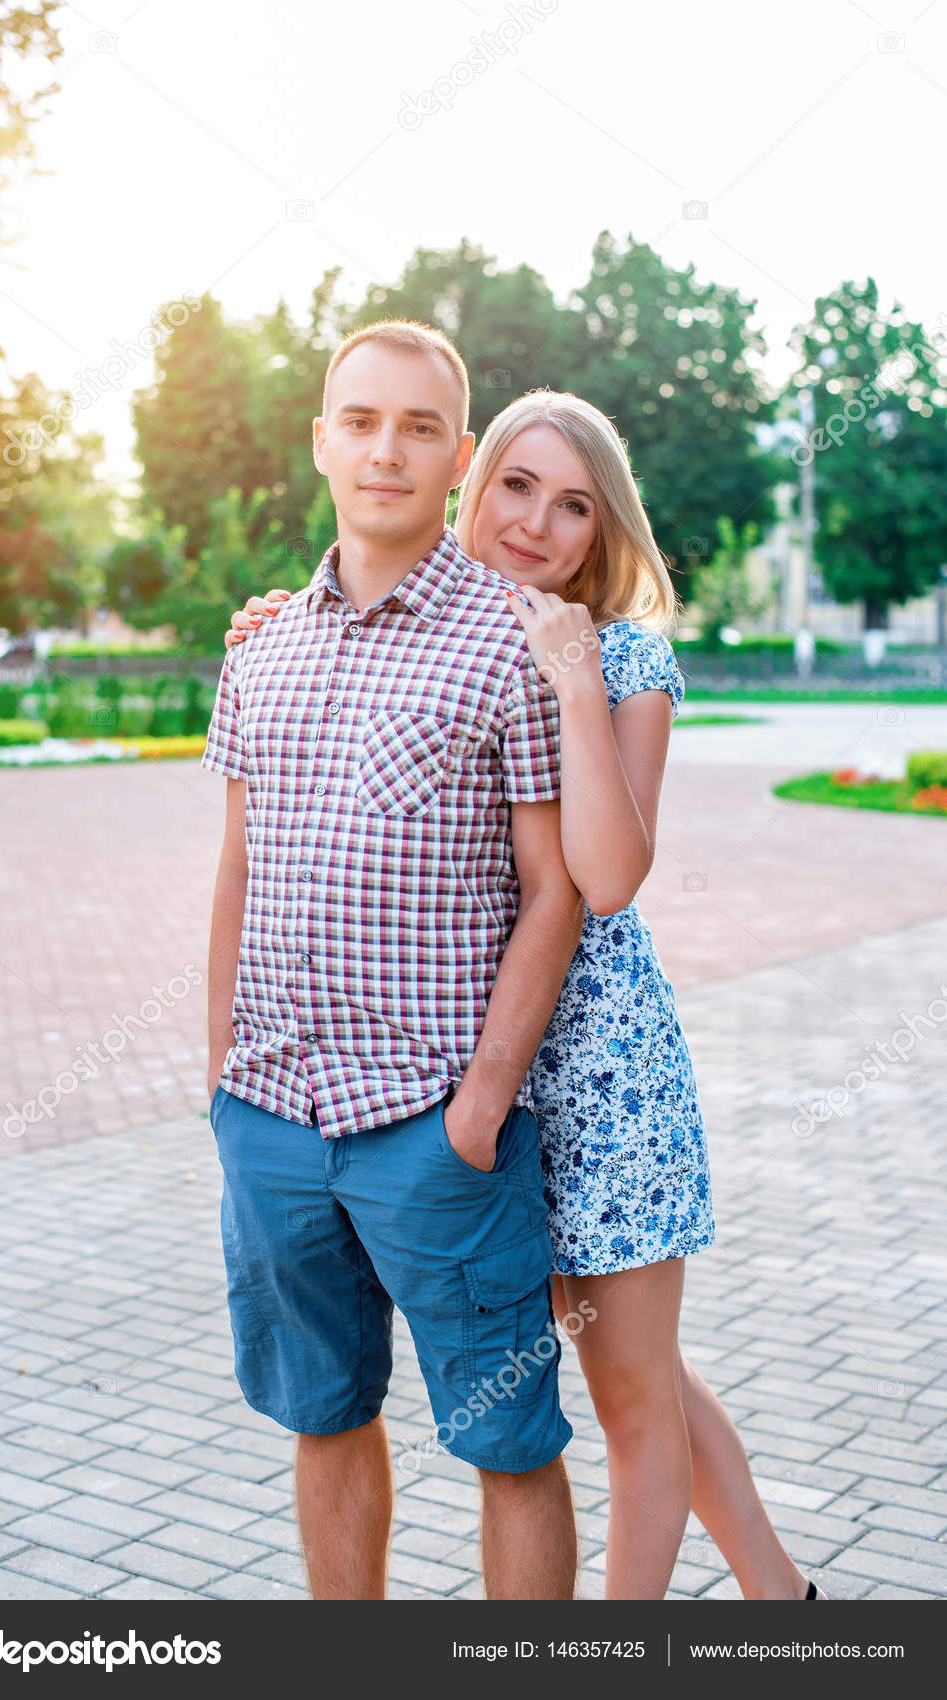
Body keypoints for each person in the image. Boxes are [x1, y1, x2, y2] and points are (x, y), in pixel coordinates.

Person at [225, 378, 829, 1603]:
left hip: (594, 1069)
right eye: (517, 485)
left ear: (604, 531)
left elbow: (606, 877)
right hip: (452, 1071)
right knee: (644, 1372)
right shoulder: (426, 626)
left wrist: (573, 681)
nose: (537, 524)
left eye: (574, 505)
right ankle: (784, 1598)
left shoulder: (622, 654)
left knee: (629, 1388)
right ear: (473, 478)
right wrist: (281, 622)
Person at [202, 319, 587, 1602]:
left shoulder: (513, 644)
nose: (387, 450)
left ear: (458, 457)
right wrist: (222, 1080)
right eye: (361, 421)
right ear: (322, 442)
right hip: (271, 1117)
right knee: (323, 1413)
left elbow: (556, 891)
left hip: (434, 1128)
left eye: (420, 428)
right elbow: (237, 868)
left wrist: (479, 1108)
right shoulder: (260, 646)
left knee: (507, 1443)